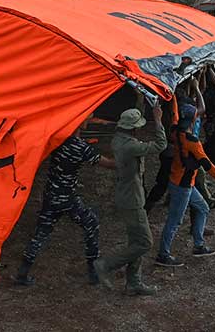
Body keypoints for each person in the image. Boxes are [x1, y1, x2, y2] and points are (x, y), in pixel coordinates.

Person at [15, 118, 115, 286]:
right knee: (91, 223)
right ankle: (93, 271)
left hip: (50, 195)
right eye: (87, 117)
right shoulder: (79, 147)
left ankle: (23, 272)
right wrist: (129, 160)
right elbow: (108, 164)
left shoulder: (57, 140)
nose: (89, 119)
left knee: (41, 233)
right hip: (67, 198)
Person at [93, 105, 167, 297]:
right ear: (133, 128)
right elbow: (160, 145)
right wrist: (158, 120)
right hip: (132, 199)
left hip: (128, 195)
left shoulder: (119, 140)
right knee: (145, 243)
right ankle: (105, 264)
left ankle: (134, 282)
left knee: (137, 240)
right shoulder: (130, 146)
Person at [154, 102, 215, 267]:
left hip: (180, 181)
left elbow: (175, 115)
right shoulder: (192, 142)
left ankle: (198, 245)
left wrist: (172, 99)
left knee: (202, 208)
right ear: (193, 120)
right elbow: (208, 166)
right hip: (183, 186)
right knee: (174, 220)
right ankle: (163, 255)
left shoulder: (175, 131)